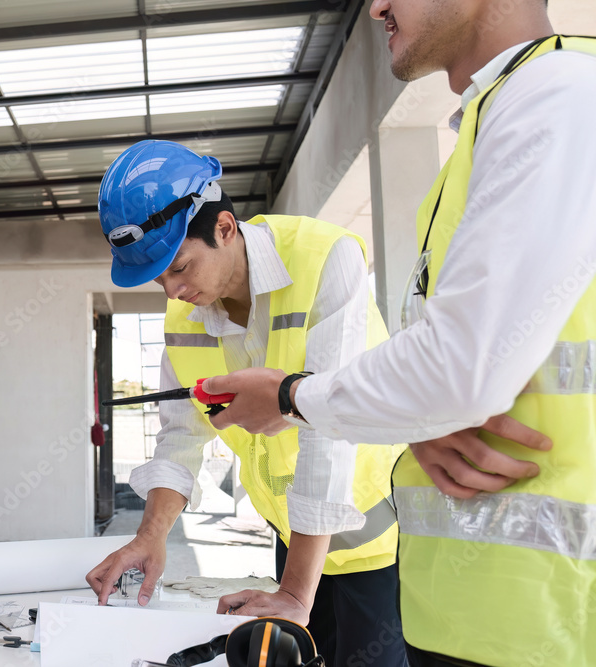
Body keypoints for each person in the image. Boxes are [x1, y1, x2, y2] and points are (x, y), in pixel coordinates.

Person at [198, 2, 596, 665]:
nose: (376, 6)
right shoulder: (491, 124)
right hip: (477, 620)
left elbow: (461, 368)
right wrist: (423, 417)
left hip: (558, 625)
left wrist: (291, 396)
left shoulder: (556, 96)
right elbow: (467, 374)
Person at [86, 140, 408, 667]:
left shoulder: (325, 259)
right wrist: (150, 535)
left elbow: (328, 431)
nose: (172, 291)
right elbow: (182, 434)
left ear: (225, 228)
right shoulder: (185, 317)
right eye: (160, 277)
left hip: (380, 546)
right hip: (295, 538)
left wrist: (297, 594)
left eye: (179, 267)